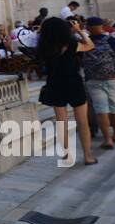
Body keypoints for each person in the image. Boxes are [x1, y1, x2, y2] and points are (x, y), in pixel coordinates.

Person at [35, 15, 96, 166]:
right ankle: (88, 156)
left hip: (55, 83)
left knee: (62, 122)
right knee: (82, 121)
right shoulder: (72, 44)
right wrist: (79, 30)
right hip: (73, 82)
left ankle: (67, 155)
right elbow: (90, 45)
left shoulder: (43, 46)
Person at [80, 17, 115, 149]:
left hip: (94, 80)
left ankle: (107, 139)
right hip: (113, 79)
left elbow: (80, 61)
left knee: (101, 110)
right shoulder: (112, 40)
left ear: (88, 27)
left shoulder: (85, 42)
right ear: (102, 27)